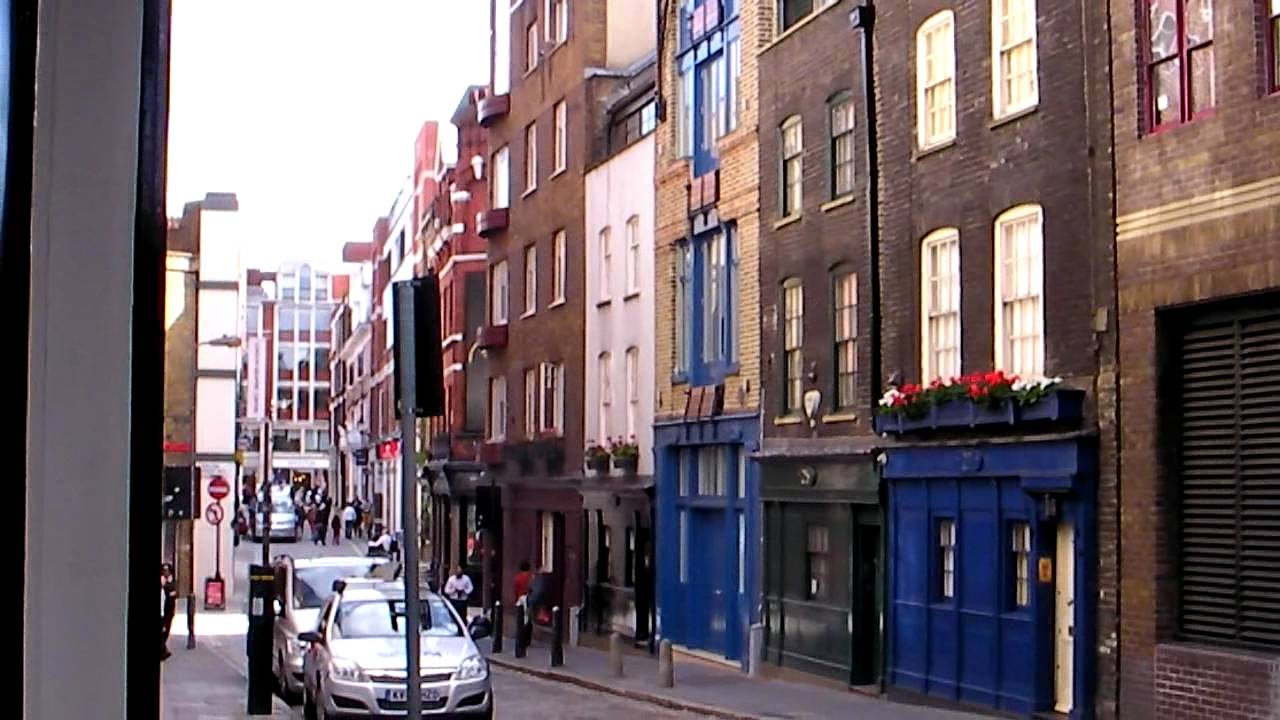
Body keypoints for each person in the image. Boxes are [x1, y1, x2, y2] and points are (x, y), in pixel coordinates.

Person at [160, 563, 177, 661]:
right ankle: (163, 651)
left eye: (167, 571)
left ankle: (163, 650)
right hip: (162, 612)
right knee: (162, 632)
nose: (165, 573)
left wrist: (166, 585)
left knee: (166, 632)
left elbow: (173, 594)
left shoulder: (172, 582)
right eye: (164, 571)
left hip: (168, 612)